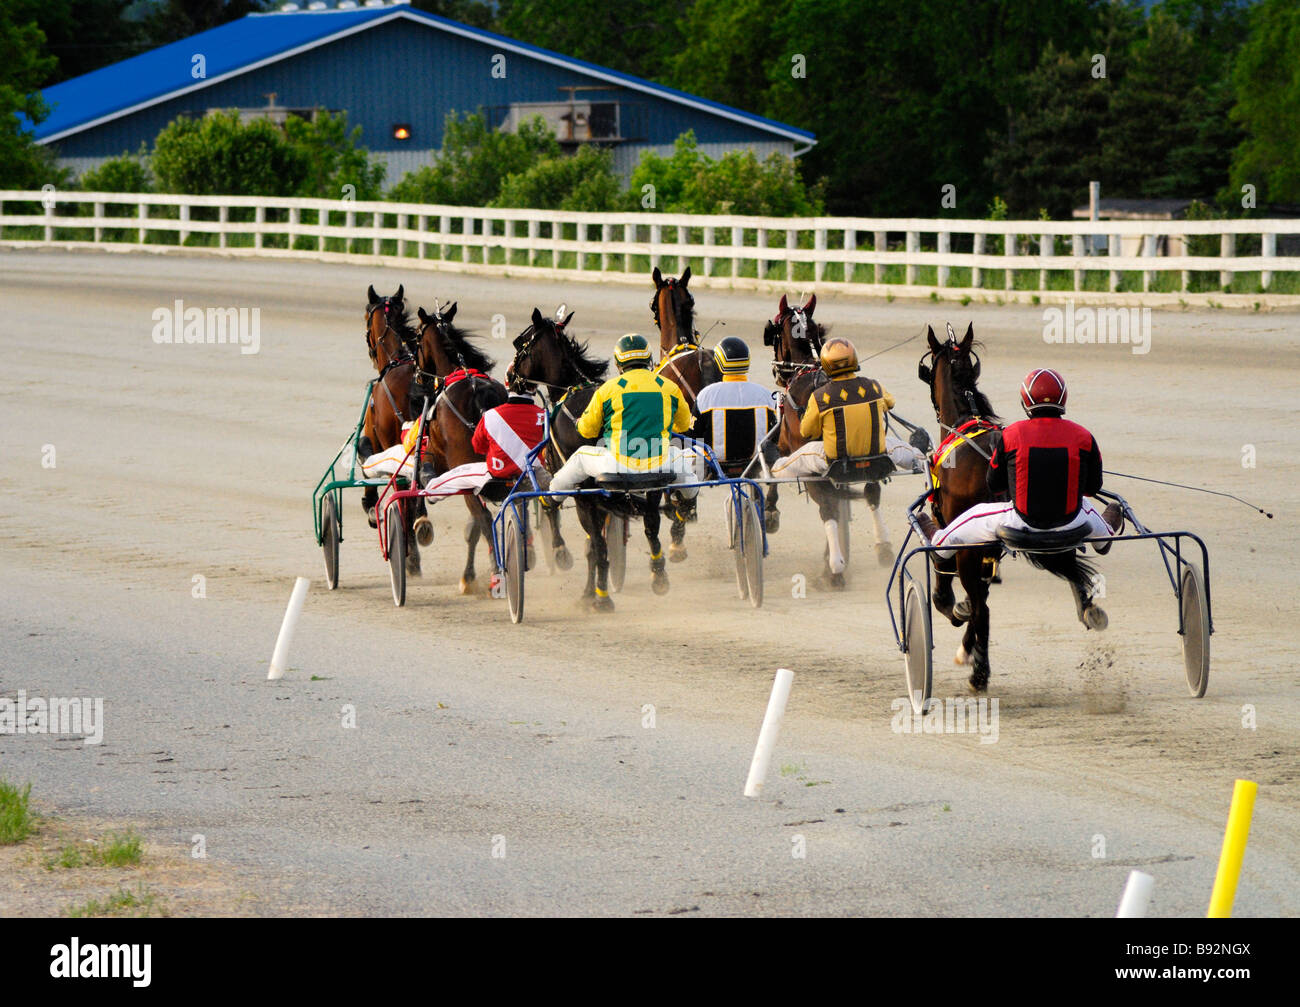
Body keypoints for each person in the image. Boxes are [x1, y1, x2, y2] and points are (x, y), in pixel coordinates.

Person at [916, 367, 1124, 555]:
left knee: (977, 513)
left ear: (1026, 401)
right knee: (1086, 506)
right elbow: (1092, 487)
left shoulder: (1012, 434)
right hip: (1072, 523)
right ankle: (1103, 538)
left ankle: (939, 543)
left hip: (1022, 522)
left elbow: (995, 484)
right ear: (1063, 399)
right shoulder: (1084, 436)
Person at [548, 333, 704, 495]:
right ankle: (688, 499)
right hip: (661, 465)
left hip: (617, 466)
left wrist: (579, 422)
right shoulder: (669, 387)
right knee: (685, 457)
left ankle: (551, 497)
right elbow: (684, 425)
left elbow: (588, 431)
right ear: (648, 359)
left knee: (580, 457)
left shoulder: (607, 389)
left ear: (618, 363)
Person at [770, 338, 927, 478]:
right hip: (877, 455)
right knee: (900, 447)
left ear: (826, 364)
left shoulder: (819, 397)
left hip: (835, 461)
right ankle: (921, 459)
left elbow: (807, 432)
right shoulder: (874, 386)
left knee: (797, 459)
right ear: (854, 359)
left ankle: (772, 468)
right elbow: (890, 403)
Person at [421, 389, 548, 498]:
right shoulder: (544, 415)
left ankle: (431, 491)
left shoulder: (490, 415)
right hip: (536, 478)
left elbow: (478, 447)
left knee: (459, 473)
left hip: (497, 479)